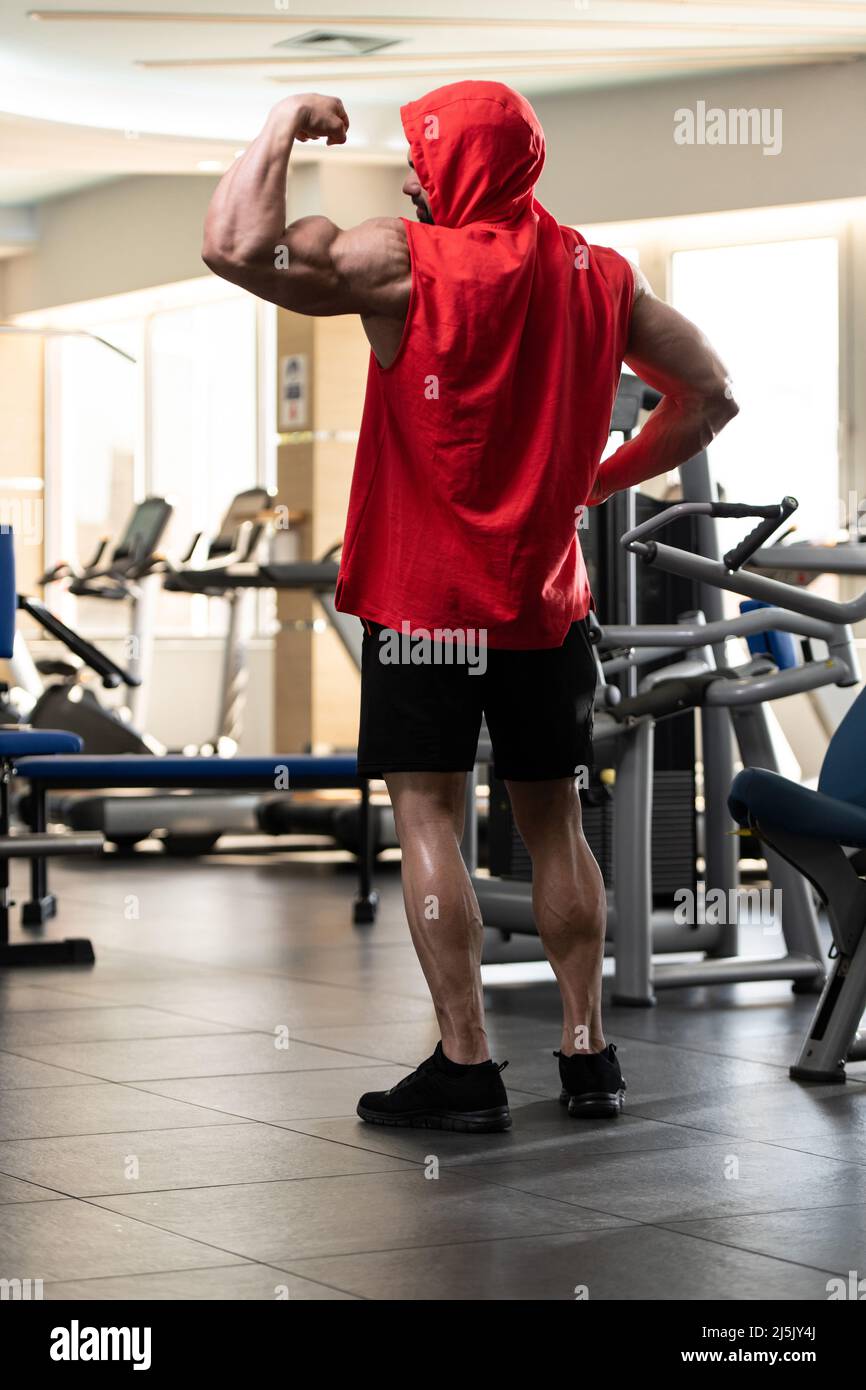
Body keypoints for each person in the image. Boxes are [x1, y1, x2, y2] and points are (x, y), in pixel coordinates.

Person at [203, 80, 738, 1132]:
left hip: (424, 606)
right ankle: (587, 1054)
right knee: (550, 819)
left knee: (430, 814)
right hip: (542, 605)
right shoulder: (601, 276)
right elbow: (709, 395)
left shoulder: (402, 262)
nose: (410, 176)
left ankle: (465, 1063)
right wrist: (594, 481)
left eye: (426, 160)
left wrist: (276, 125)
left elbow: (235, 247)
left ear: (464, 172)